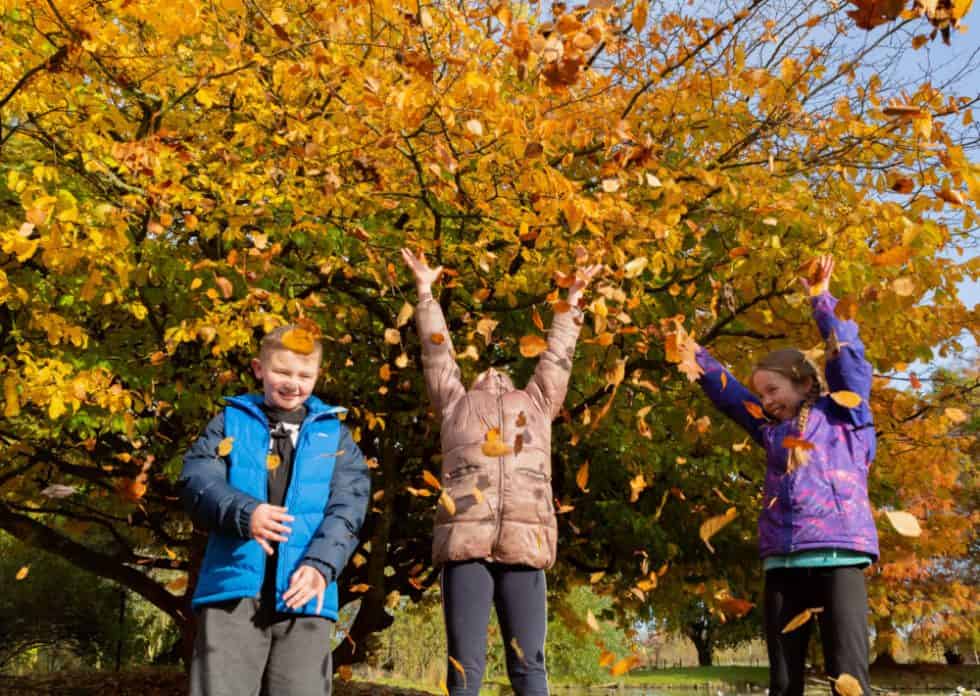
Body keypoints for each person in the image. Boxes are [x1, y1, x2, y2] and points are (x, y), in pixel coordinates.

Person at [401, 247, 600, 696]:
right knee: (464, 668)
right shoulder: (455, 404)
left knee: (530, 665)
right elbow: (437, 356)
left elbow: (558, 356)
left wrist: (574, 300)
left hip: (525, 545)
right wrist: (425, 293)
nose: (493, 374)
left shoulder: (537, 403)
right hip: (465, 546)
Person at [685, 255, 878, 696]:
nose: (766, 401)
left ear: (805, 383)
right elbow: (730, 396)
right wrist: (692, 353)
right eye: (762, 393)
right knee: (783, 683)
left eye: (773, 390)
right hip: (783, 564)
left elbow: (845, 356)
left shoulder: (846, 414)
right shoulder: (771, 432)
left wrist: (820, 297)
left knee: (847, 679)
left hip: (838, 559)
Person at [179, 324, 370, 696]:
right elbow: (197, 478)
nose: (293, 383)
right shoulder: (229, 421)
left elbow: (349, 507)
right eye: (282, 371)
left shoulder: (336, 435)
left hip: (307, 596)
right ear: (258, 369)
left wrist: (321, 566)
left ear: (317, 376)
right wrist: (245, 512)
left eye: (305, 375)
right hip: (231, 591)